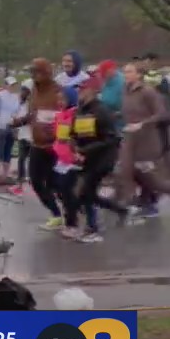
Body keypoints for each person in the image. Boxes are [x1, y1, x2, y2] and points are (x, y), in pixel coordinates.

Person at [70, 77, 127, 241]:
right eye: (78, 89)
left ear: (93, 91)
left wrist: (85, 149)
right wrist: (74, 148)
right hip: (87, 158)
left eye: (83, 89)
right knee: (89, 194)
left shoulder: (102, 111)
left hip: (104, 159)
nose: (79, 91)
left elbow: (112, 138)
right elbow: (75, 133)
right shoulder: (80, 110)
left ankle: (93, 227)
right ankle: (120, 210)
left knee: (85, 192)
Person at [12, 59, 64, 229]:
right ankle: (56, 214)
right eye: (32, 72)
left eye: (37, 72)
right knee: (35, 181)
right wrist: (18, 122)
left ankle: (72, 211)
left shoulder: (57, 90)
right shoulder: (34, 90)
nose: (33, 75)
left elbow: (65, 114)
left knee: (54, 183)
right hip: (37, 144)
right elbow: (32, 114)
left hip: (54, 145)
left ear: (46, 72)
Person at [117, 61, 170, 213]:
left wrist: (142, 123)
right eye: (124, 72)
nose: (125, 75)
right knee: (126, 169)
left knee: (151, 179)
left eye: (129, 72)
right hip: (130, 138)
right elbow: (127, 112)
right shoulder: (125, 90)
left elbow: (162, 113)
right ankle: (141, 200)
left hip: (147, 140)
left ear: (139, 74)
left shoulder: (148, 91)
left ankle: (151, 201)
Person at [50, 89, 83, 238]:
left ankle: (72, 224)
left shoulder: (76, 115)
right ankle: (72, 215)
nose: (60, 102)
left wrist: (76, 151)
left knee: (67, 191)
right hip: (60, 159)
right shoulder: (59, 115)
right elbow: (58, 136)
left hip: (72, 161)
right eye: (58, 99)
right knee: (58, 188)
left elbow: (78, 137)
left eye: (63, 99)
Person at [0, 77, 22, 185]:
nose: (12, 87)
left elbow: (18, 111)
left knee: (8, 150)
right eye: (10, 85)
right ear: (5, 85)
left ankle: (5, 175)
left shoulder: (16, 97)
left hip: (11, 126)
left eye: (14, 85)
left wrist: (16, 126)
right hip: (0, 127)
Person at [10, 81, 33, 196]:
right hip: (23, 135)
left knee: (33, 160)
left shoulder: (34, 104)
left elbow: (29, 118)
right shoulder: (21, 104)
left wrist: (16, 122)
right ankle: (19, 184)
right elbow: (16, 117)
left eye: (25, 90)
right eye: (22, 90)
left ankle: (34, 183)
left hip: (33, 136)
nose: (22, 92)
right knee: (21, 159)